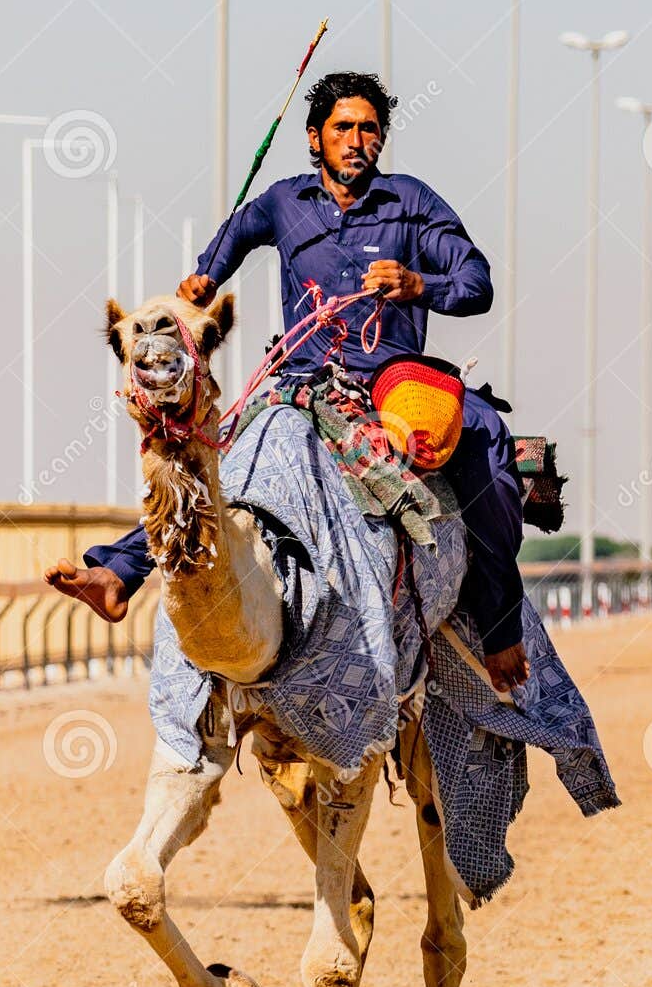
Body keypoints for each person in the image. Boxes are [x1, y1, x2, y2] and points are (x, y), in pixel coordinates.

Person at [45, 71, 530, 692]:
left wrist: (417, 284)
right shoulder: (284, 201)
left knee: (487, 441)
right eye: (343, 128)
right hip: (302, 380)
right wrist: (207, 276)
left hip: (395, 384)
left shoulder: (412, 201)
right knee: (219, 459)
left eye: (369, 129)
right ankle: (118, 573)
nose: (357, 140)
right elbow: (237, 234)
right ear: (314, 138)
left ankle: (500, 624)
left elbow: (476, 283)